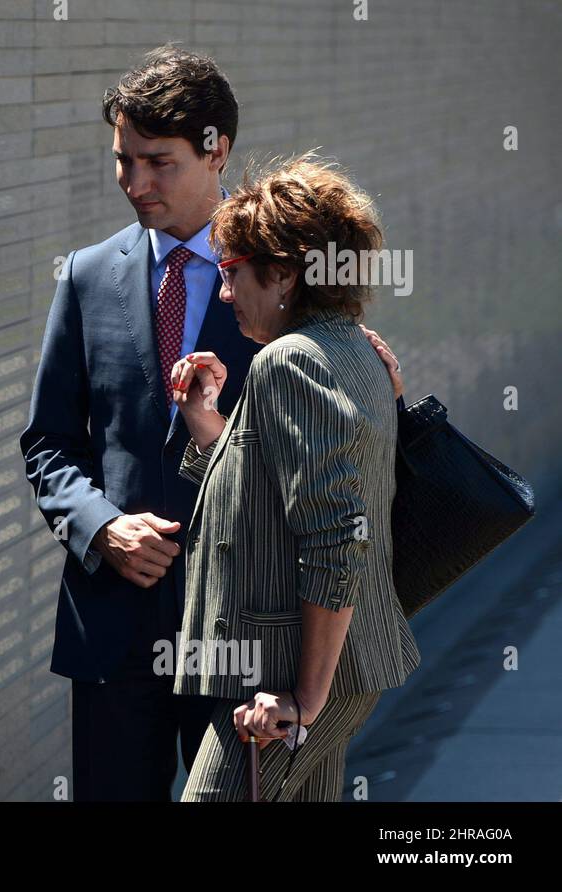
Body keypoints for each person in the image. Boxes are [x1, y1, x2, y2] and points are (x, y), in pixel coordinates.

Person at [19, 46, 259, 801]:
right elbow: (48, 442)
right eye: (123, 160)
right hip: (115, 626)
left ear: (216, 150)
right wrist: (99, 527)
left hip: (243, 626)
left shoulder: (279, 276)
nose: (136, 183)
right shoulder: (88, 276)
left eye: (159, 162)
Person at [167, 154, 420, 801]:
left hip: (280, 688)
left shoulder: (288, 362)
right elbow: (279, 489)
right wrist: (206, 422)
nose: (224, 294)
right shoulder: (353, 346)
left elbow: (338, 532)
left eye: (230, 272)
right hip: (321, 673)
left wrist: (304, 700)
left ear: (281, 274)